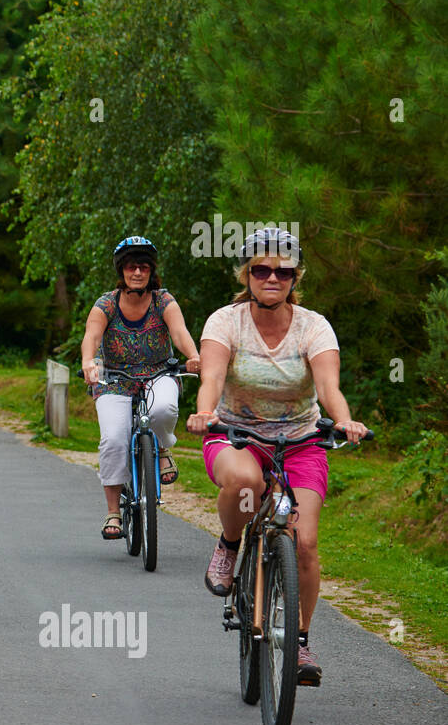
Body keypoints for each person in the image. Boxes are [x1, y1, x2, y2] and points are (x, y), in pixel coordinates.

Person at [187, 227, 369, 685]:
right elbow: (211, 375)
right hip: (235, 435)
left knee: (304, 542)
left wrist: (345, 420)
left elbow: (329, 388)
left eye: (283, 271)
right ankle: (230, 544)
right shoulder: (225, 322)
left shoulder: (314, 326)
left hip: (301, 443)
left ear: (295, 277)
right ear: (247, 275)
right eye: (262, 270)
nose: (273, 278)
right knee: (246, 484)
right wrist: (204, 411)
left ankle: (300, 642)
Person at [81, 236, 200, 539]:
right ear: (122, 271)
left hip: (158, 373)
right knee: (113, 440)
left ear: (151, 271)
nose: (137, 273)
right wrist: (89, 362)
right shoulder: (106, 304)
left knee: (163, 408)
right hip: (114, 380)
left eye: (144, 267)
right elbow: (92, 337)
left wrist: (193, 356)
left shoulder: (163, 301)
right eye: (132, 267)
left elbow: (179, 332)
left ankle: (161, 448)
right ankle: (112, 511)